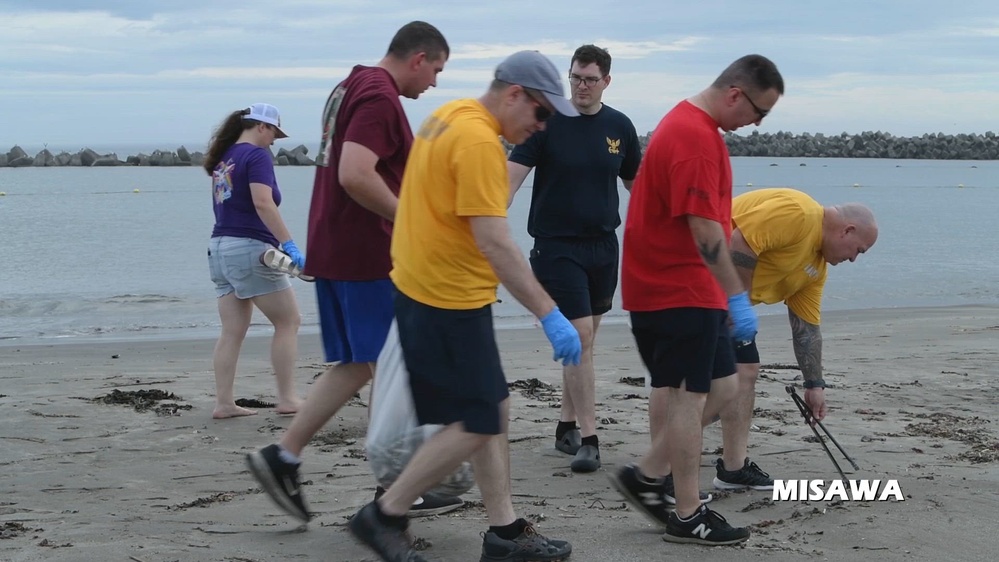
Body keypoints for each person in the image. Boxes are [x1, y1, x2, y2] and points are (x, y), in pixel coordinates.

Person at [348, 50, 582, 562]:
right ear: (515, 93)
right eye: (541, 113)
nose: (541, 127)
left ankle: (503, 530)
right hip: (443, 299)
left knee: (491, 407)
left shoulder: (448, 115)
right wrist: (549, 313)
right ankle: (386, 514)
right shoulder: (477, 140)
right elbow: (495, 242)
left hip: (429, 288)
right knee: (477, 418)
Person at [245, 21, 457, 522]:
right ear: (418, 58)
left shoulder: (351, 83)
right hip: (366, 256)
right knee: (389, 370)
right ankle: (396, 490)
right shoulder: (380, 96)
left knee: (359, 365)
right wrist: (414, 222)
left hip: (334, 247)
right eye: (437, 71)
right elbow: (355, 173)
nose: (435, 85)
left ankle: (284, 455)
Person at [610, 54, 784, 546]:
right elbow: (706, 231)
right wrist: (737, 296)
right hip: (674, 289)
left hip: (690, 290)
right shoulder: (692, 136)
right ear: (735, 93)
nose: (755, 124)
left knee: (725, 388)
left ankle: (645, 473)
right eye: (759, 112)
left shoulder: (697, 128)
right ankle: (687, 515)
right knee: (691, 397)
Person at [507, 44, 641, 473]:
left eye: (590, 79)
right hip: (555, 247)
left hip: (603, 248)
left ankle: (565, 424)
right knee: (580, 338)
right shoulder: (546, 122)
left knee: (584, 343)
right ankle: (589, 438)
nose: (581, 86)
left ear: (606, 80)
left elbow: (634, 185)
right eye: (575, 78)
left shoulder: (620, 126)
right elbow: (507, 182)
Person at [710, 188, 878, 490]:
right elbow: (741, 242)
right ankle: (660, 465)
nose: (854, 259)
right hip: (694, 280)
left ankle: (733, 469)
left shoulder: (815, 268)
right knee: (694, 385)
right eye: (858, 250)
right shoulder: (801, 214)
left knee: (746, 372)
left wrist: (814, 385)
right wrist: (740, 302)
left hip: (725, 304)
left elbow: (806, 330)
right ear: (848, 230)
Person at [204, 103, 304, 420]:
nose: (274, 141)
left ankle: (223, 403)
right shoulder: (256, 156)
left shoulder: (224, 160)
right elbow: (263, 203)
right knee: (288, 321)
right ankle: (288, 398)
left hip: (218, 248)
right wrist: (288, 244)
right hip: (249, 248)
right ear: (262, 126)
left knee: (232, 330)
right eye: (274, 132)